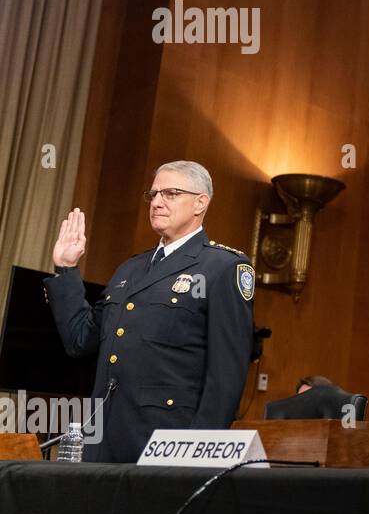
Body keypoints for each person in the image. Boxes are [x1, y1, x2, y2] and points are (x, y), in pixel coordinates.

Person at [44, 161, 255, 462]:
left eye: (170, 193)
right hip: (102, 440)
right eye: (153, 194)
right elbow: (80, 340)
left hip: (165, 446)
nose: (156, 202)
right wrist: (66, 269)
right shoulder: (130, 269)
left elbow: (226, 375)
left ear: (200, 203)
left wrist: (196, 455)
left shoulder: (222, 268)